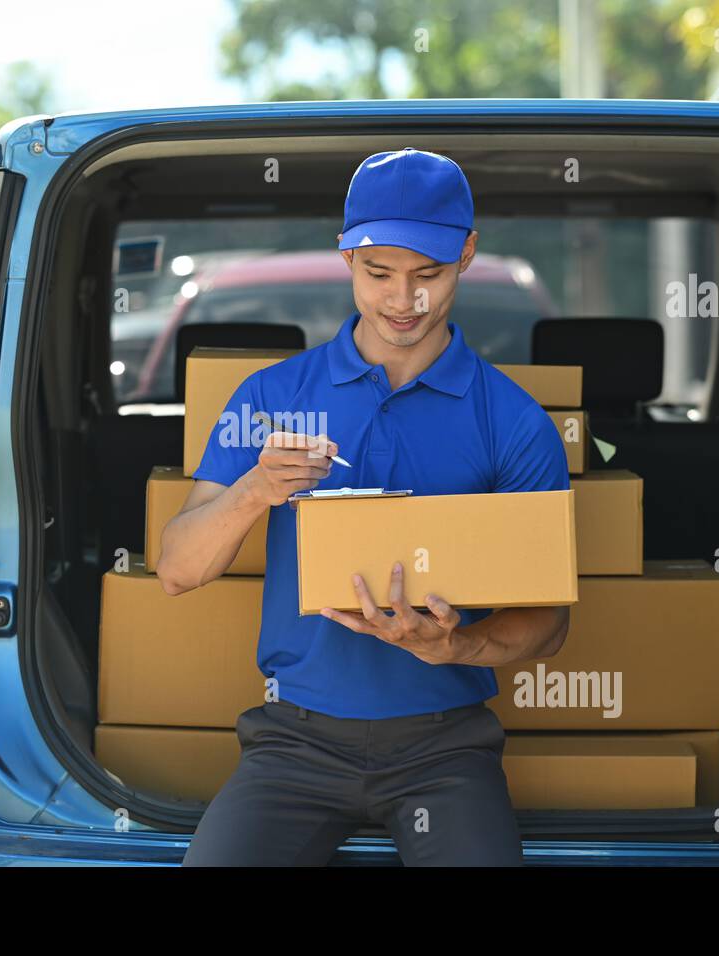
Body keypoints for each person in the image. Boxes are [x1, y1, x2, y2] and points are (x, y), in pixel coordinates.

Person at [157, 147, 571, 866]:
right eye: (378, 273)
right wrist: (257, 489)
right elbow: (175, 570)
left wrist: (457, 646)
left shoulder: (512, 421)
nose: (402, 301)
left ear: (467, 255)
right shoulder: (271, 398)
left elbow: (551, 623)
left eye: (428, 275)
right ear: (346, 256)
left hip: (444, 747)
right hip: (295, 745)